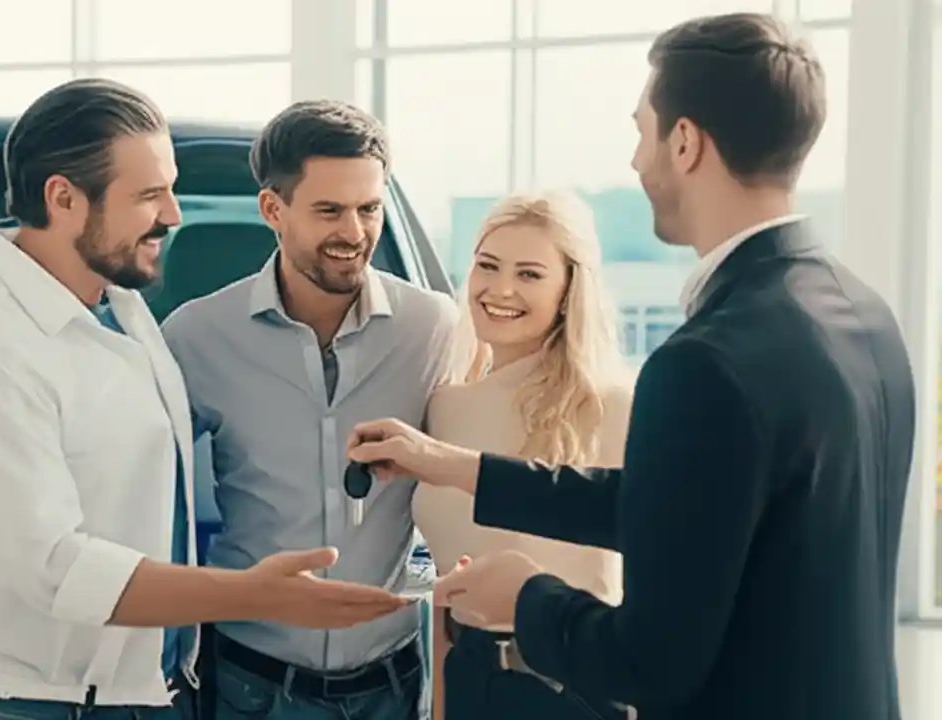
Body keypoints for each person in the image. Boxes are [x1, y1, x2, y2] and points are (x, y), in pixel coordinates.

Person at [346, 13, 915, 720]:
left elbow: (651, 659)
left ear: (685, 142)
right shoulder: (864, 317)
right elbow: (680, 511)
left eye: (641, 130)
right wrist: (458, 466)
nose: (636, 161)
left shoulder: (707, 362)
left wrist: (526, 599)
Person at [0, 79, 412, 720]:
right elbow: (58, 568)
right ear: (63, 198)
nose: (173, 214)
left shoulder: (122, 311)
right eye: (148, 195)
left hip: (146, 697)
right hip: (35, 707)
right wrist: (256, 597)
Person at [160, 100, 458, 720]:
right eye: (329, 210)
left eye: (368, 208)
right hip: (252, 687)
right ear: (273, 209)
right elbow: (137, 495)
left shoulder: (433, 329)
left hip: (394, 685)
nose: (353, 232)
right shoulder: (195, 338)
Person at [413, 190, 634, 720]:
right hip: (468, 677)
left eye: (530, 274)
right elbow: (446, 594)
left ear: (567, 292)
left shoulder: (613, 406)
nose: (501, 289)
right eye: (487, 266)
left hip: (570, 689)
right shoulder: (445, 406)